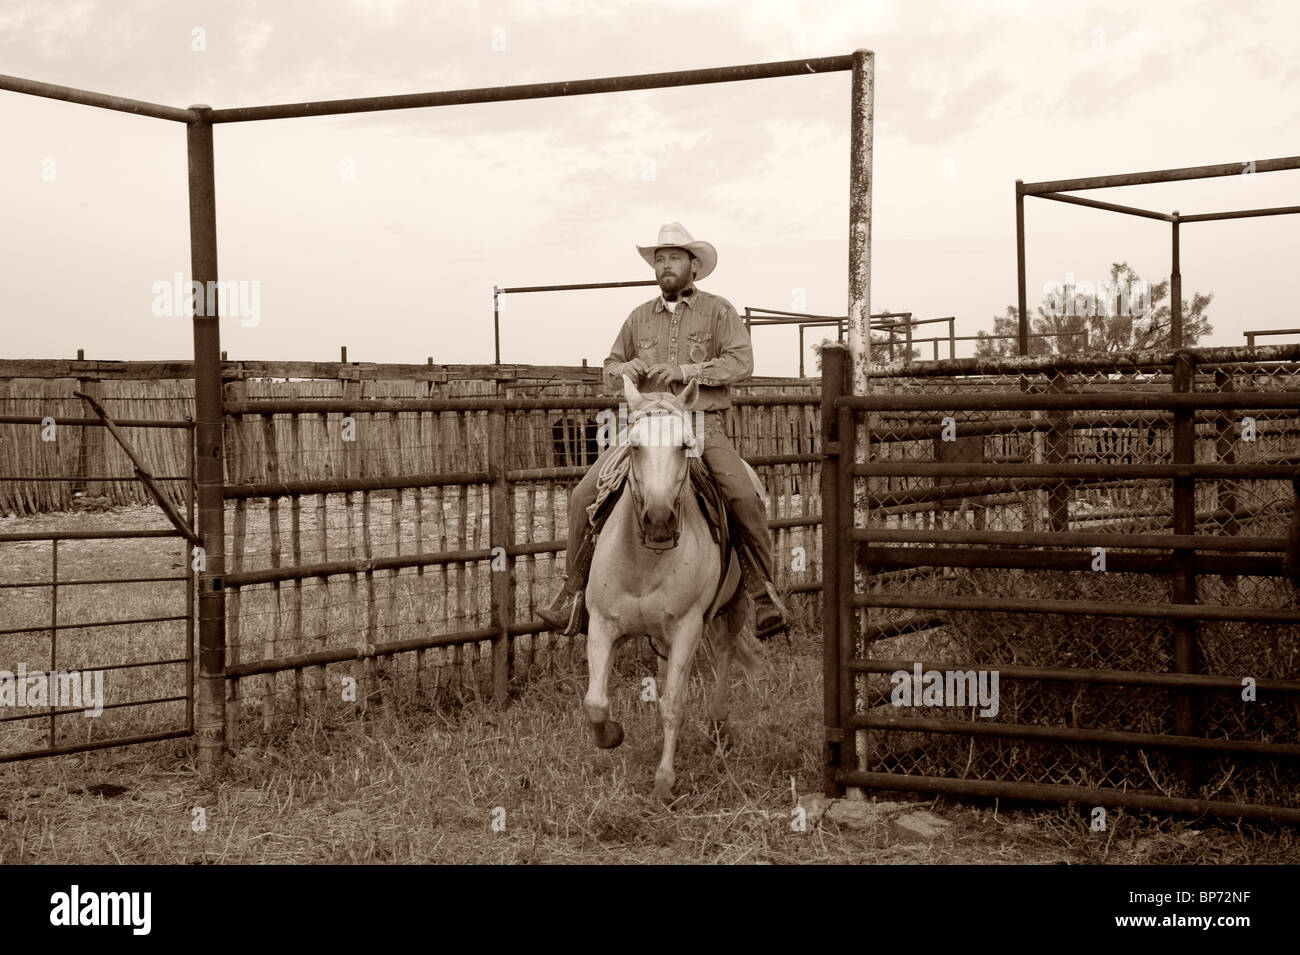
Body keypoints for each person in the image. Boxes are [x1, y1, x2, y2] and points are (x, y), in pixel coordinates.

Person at [537, 222, 788, 640]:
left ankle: (763, 593)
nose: (665, 265)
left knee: (741, 493)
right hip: (644, 426)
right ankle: (575, 596)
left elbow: (741, 362)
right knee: (584, 494)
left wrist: (686, 370)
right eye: (659, 259)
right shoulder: (637, 317)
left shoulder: (719, 310)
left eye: (673, 257)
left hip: (700, 425)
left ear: (694, 265)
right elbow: (608, 368)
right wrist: (623, 370)